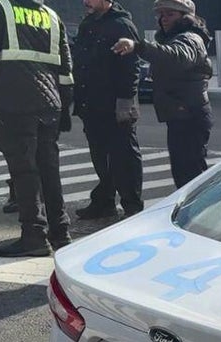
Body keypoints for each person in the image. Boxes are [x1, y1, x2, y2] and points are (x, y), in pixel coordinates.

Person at [0, 0, 73, 257]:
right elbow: (66, 68)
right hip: (50, 104)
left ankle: (34, 235)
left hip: (15, 102)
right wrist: (65, 107)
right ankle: (60, 232)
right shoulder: (52, 16)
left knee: (24, 170)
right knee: (49, 169)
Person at [112, 0, 213, 189]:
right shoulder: (172, 37)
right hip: (180, 113)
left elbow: (176, 56)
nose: (164, 19)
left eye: (170, 14)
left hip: (190, 114)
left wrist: (138, 46)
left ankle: (198, 215)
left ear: (186, 17)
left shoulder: (190, 38)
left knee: (191, 175)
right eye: (162, 14)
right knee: (183, 173)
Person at [73, 0, 144, 221]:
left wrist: (125, 101)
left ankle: (132, 207)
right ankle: (104, 202)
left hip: (114, 104)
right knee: (100, 156)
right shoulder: (88, 24)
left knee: (124, 157)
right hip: (92, 103)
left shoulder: (121, 25)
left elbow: (132, 66)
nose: (86, 2)